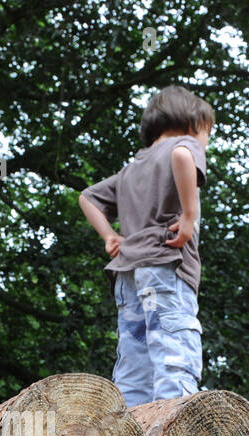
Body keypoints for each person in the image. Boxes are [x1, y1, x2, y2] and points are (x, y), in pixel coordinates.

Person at [80, 85, 213, 407]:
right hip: (164, 265)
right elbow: (182, 155)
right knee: (173, 348)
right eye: (208, 132)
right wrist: (189, 215)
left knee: (134, 357)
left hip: (128, 273)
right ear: (193, 122)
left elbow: (87, 197)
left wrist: (110, 237)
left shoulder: (131, 169)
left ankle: (134, 428)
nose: (206, 140)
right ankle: (174, 427)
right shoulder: (185, 145)